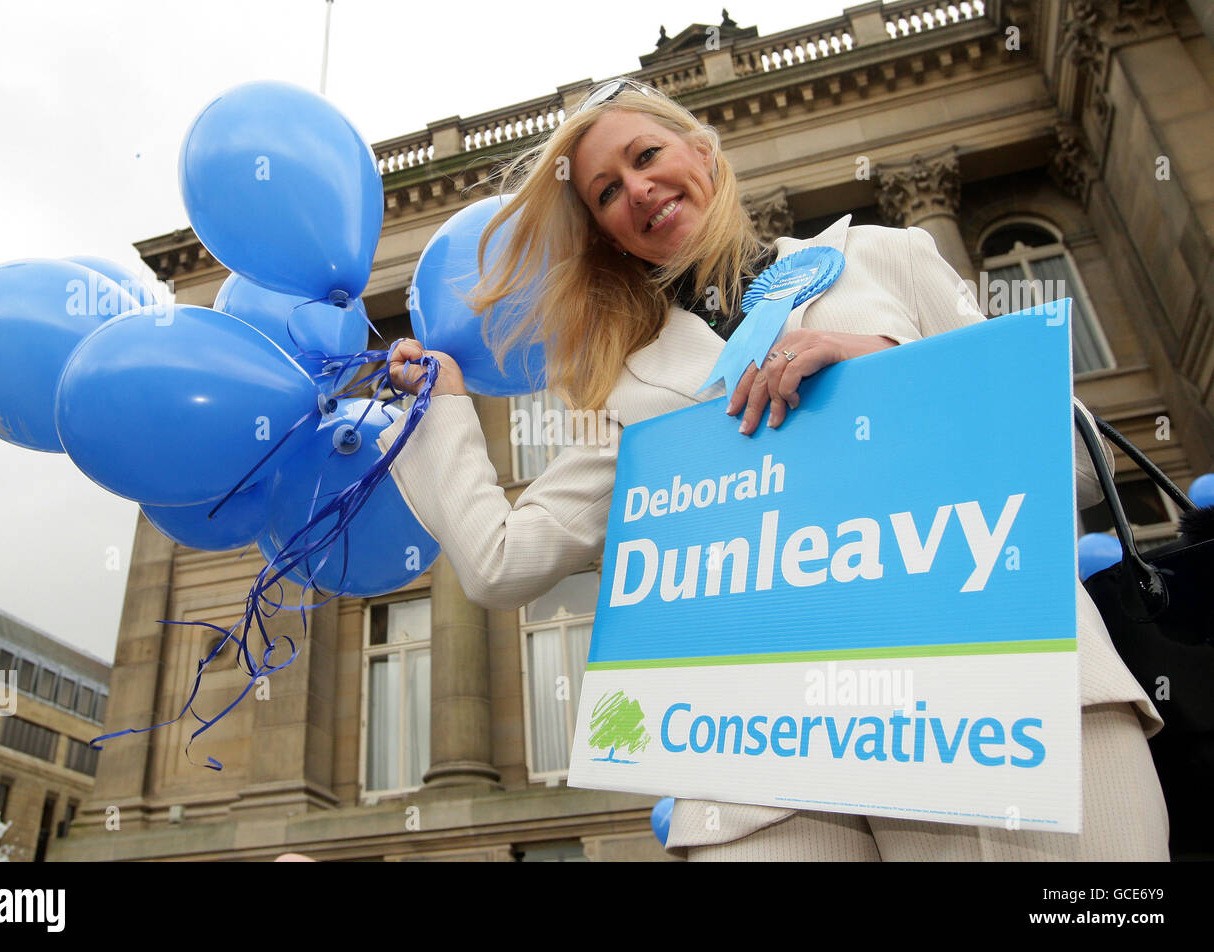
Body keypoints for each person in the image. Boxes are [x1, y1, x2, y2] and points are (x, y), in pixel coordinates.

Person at [381, 79, 1168, 861]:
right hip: (765, 770)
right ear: (609, 235)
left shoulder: (884, 258)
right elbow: (497, 561)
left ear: (705, 153)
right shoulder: (628, 391)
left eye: (647, 155)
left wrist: (881, 373)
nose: (638, 189)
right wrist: (440, 404)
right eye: (607, 192)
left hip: (997, 710)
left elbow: (1069, 458)